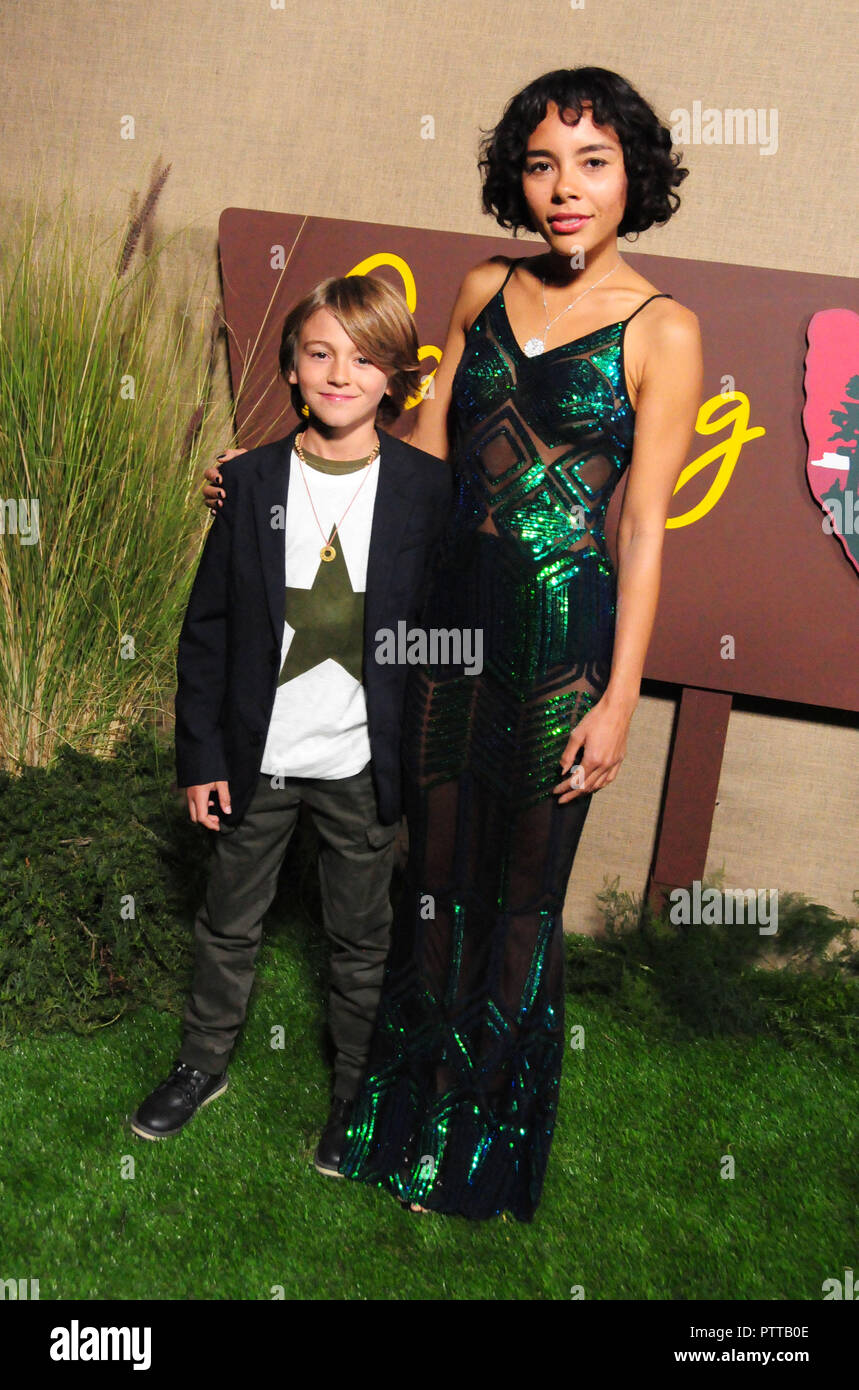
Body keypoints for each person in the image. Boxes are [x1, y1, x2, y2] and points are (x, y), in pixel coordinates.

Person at [204, 65, 703, 1222]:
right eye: (541, 163)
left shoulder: (664, 330)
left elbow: (640, 525)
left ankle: (480, 1147)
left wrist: (621, 695)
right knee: (430, 878)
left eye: (592, 162)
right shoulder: (482, 284)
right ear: (515, 178)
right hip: (438, 626)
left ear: (635, 176)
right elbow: (412, 467)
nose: (564, 188)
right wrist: (270, 484)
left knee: (520, 893)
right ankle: (396, 1122)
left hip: (560, 642)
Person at [130, 275, 451, 1177]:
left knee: (360, 940)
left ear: (395, 376)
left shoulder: (429, 491)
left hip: (362, 767)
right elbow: (207, 632)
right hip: (253, 758)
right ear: (291, 367)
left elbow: (442, 630)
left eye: (364, 357)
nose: (340, 373)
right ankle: (201, 1064)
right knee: (227, 921)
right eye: (320, 353)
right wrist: (200, 757)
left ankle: (355, 1091)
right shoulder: (248, 479)